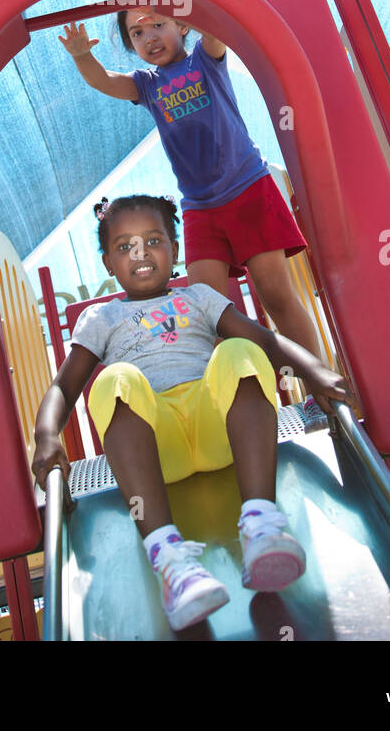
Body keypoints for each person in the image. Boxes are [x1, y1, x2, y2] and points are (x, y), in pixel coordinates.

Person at [31, 195, 354, 632]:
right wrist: (46, 433)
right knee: (114, 381)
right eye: (125, 246)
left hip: (219, 433)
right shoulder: (100, 319)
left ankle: (260, 525)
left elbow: (263, 339)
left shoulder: (200, 297)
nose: (140, 254)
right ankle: (170, 560)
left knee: (238, 348)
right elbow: (64, 388)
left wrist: (314, 371)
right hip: (158, 452)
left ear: (175, 250)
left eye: (153, 240)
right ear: (108, 263)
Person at [59, 8, 329, 429]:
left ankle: (317, 394)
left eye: (158, 24)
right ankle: (227, 410)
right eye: (137, 32)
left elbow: (216, 27)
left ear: (181, 24)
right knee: (207, 311)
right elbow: (104, 81)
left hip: (247, 191)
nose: (149, 37)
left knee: (275, 295)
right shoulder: (148, 86)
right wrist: (81, 57)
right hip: (201, 208)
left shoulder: (206, 57)